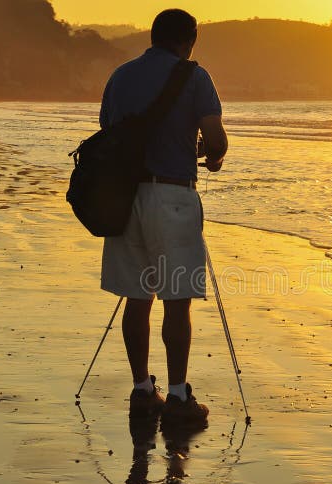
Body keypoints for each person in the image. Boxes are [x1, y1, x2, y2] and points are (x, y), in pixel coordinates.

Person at [98, 9, 228, 425]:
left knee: (137, 296)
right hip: (172, 196)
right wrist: (212, 157)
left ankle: (142, 390)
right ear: (189, 41)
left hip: (126, 197)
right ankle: (177, 396)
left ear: (153, 37)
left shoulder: (120, 76)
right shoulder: (195, 76)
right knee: (176, 300)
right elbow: (216, 139)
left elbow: (111, 135)